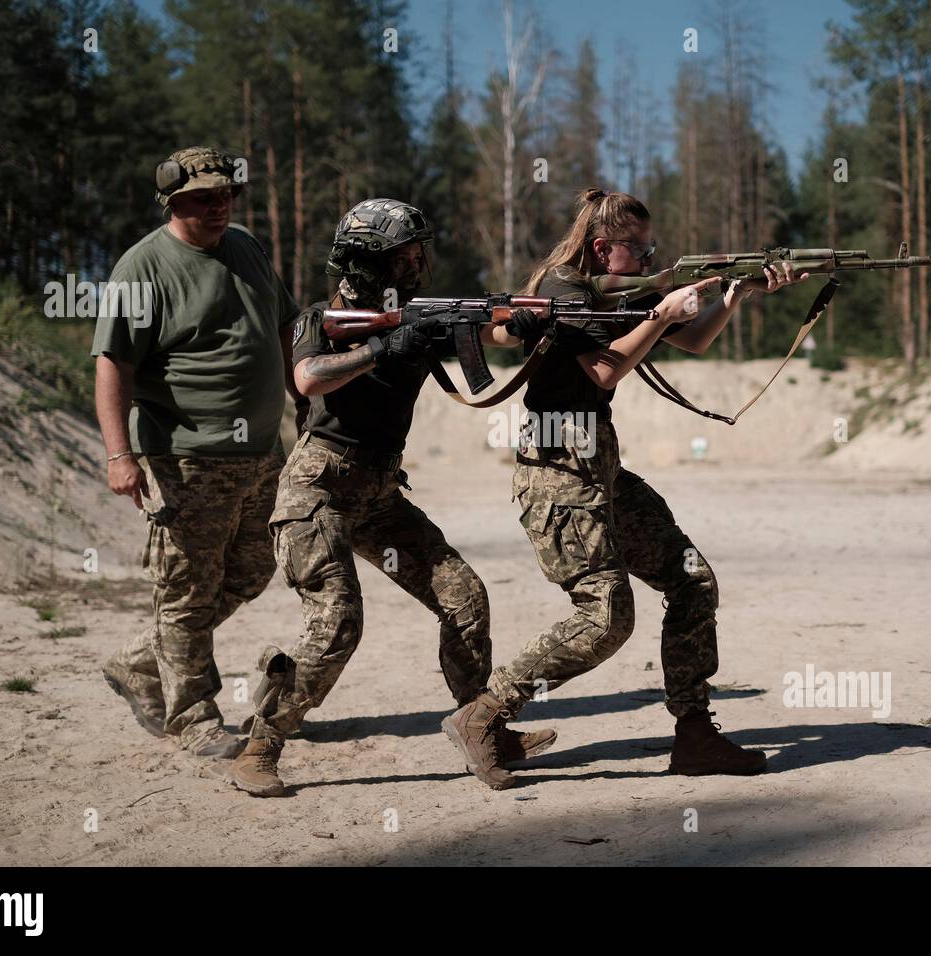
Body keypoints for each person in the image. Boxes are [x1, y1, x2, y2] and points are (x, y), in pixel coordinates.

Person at [443, 188, 807, 788]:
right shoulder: (563, 290)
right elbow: (605, 369)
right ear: (601, 247)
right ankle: (484, 717)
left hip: (601, 466)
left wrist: (737, 291)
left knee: (691, 581)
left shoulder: (626, 294)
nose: (647, 260)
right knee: (605, 618)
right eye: (638, 250)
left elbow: (693, 342)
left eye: (651, 249)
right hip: (556, 470)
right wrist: (662, 312)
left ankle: (694, 734)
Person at [228, 199, 554, 797]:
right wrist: (384, 348)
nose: (417, 262)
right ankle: (259, 747)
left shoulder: (420, 314)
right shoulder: (318, 317)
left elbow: (491, 330)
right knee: (337, 623)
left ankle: (482, 727)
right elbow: (307, 378)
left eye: (418, 251)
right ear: (366, 260)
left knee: (465, 598)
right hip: (317, 488)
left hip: (378, 493)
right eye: (404, 253)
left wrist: (524, 324)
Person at [95, 146, 300, 759]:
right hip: (185, 456)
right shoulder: (143, 268)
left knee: (253, 571)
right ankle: (193, 717)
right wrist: (118, 455)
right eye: (204, 197)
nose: (220, 204)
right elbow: (113, 365)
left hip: (263, 449)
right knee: (187, 588)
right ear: (172, 200)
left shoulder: (245, 245)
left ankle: (139, 658)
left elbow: (285, 329)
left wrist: (308, 397)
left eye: (226, 193)